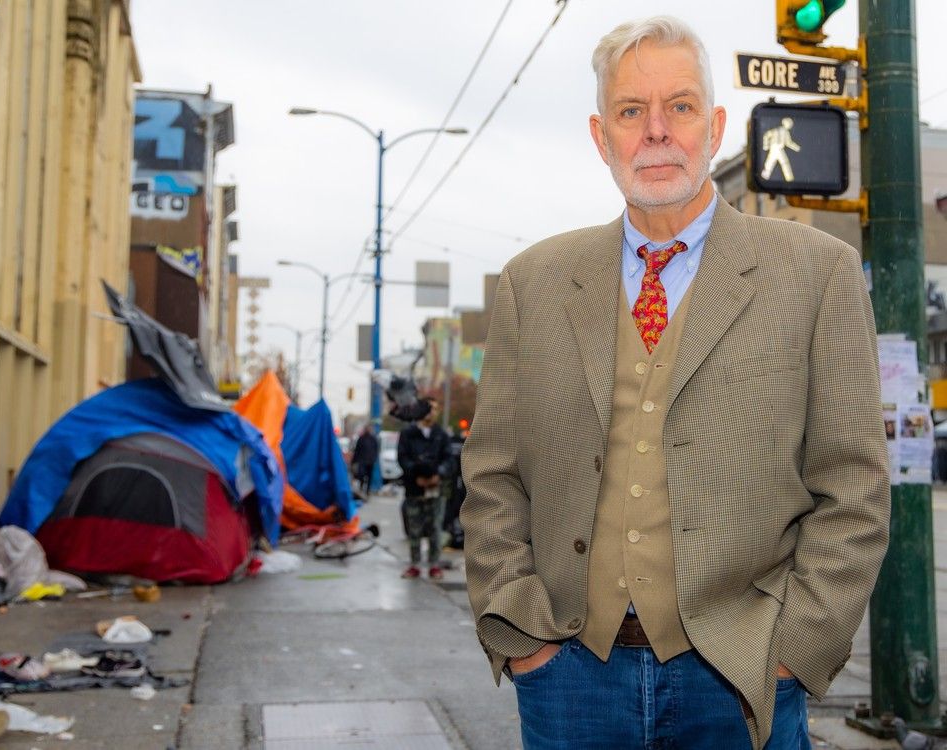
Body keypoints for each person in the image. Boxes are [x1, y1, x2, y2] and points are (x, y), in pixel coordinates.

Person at [460, 15, 890, 750]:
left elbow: (853, 486)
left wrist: (793, 645)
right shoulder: (533, 283)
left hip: (743, 676)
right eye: (632, 111)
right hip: (569, 680)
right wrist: (521, 632)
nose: (656, 130)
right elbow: (493, 475)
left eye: (680, 107)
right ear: (602, 137)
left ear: (715, 126)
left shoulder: (816, 273)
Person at [397, 397, 452, 579]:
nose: (431, 412)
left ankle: (434, 565)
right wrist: (415, 476)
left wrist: (439, 474)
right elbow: (403, 459)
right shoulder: (408, 434)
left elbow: (449, 460)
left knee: (435, 527)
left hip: (436, 489)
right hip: (414, 489)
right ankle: (414, 565)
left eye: (435, 408)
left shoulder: (441, 435)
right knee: (414, 528)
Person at [350, 425, 379, 498]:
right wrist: (354, 461)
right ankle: (362, 488)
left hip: (370, 461)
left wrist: (374, 458)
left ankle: (367, 490)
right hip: (362, 461)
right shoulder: (361, 438)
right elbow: (357, 450)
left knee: (369, 476)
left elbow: (376, 449)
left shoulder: (373, 439)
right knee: (361, 475)